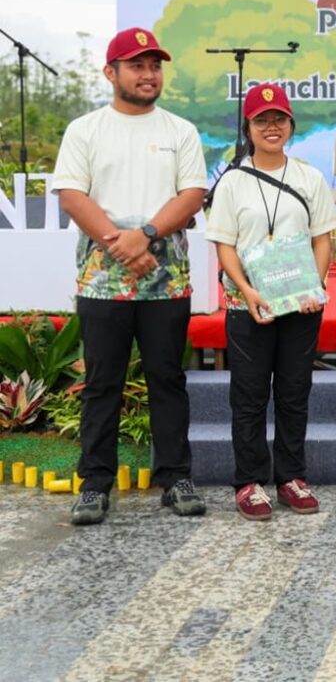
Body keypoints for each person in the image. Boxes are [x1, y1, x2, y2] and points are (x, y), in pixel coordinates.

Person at [53, 27, 208, 525]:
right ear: (111, 73)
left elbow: (192, 194)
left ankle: (175, 478)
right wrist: (123, 246)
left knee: (167, 377)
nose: (148, 74)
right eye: (137, 65)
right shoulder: (86, 129)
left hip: (167, 275)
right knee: (103, 382)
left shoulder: (180, 130)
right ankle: (94, 484)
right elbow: (73, 195)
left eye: (155, 66)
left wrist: (144, 234)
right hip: (103, 276)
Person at [205, 84, 336, 521]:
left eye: (279, 119)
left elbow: (324, 238)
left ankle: (291, 478)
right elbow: (225, 245)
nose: (271, 127)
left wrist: (313, 288)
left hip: (300, 306)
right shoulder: (231, 182)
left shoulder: (308, 177)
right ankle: (249, 482)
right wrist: (246, 289)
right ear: (247, 127)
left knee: (294, 391)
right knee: (248, 395)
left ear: (291, 125)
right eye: (261, 120)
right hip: (250, 306)